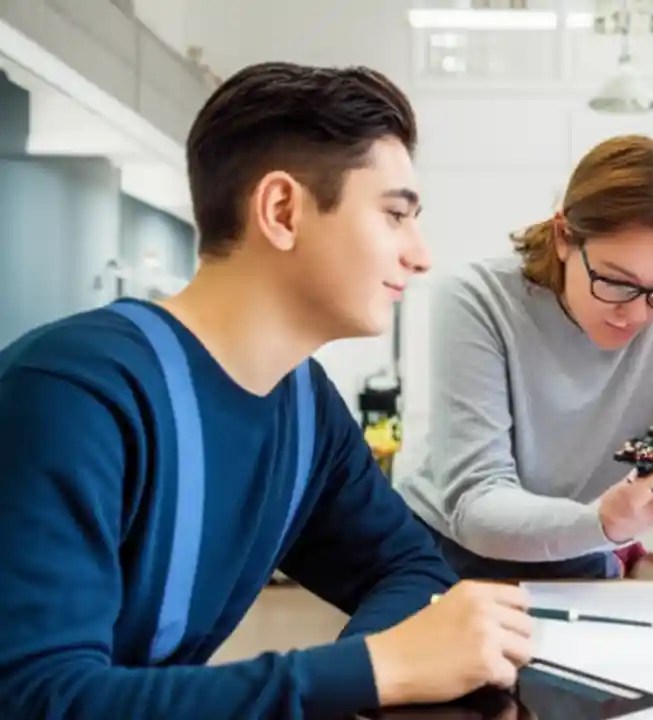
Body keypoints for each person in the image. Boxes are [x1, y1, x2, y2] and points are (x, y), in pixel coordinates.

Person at [0, 61, 536, 719]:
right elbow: (37, 699)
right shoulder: (73, 394)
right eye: (395, 215)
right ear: (282, 210)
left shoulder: (304, 405)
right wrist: (376, 668)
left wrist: (398, 665)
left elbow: (409, 567)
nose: (420, 254)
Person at [398, 134, 653, 582]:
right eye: (616, 282)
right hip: (445, 543)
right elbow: (477, 504)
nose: (638, 313)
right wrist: (605, 524)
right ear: (564, 236)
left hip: (582, 538)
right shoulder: (475, 300)